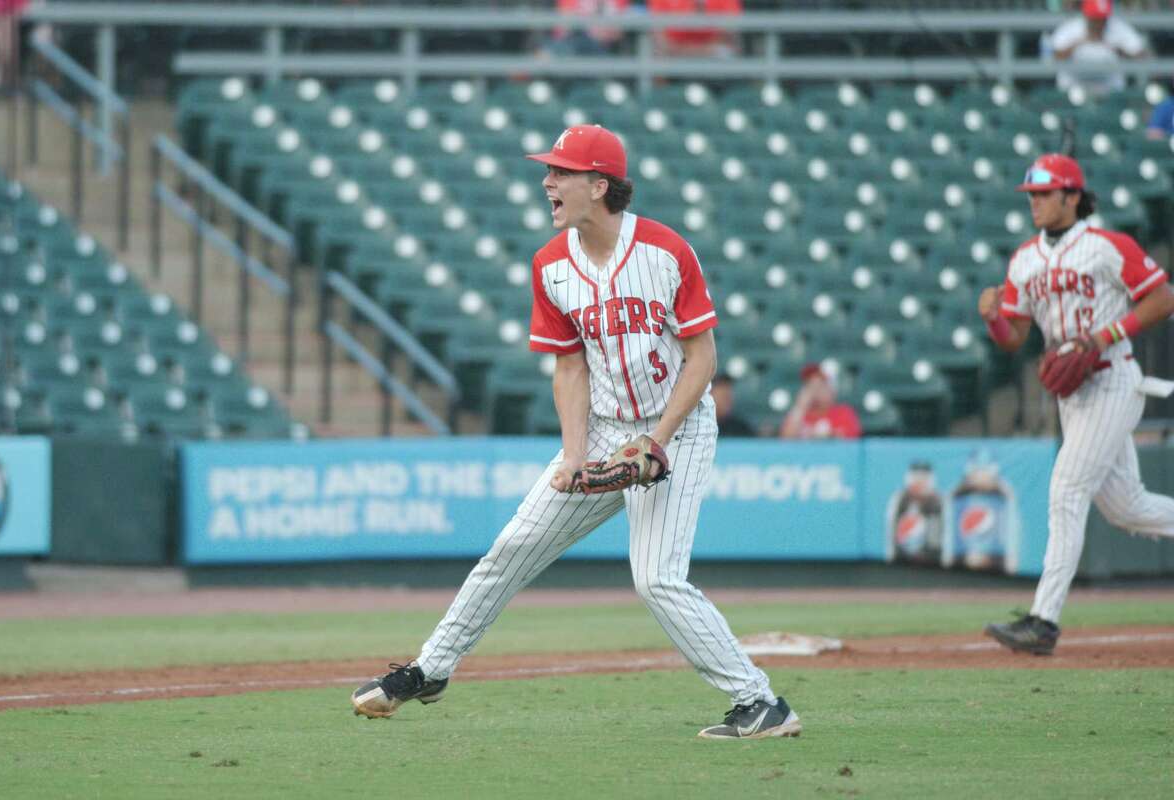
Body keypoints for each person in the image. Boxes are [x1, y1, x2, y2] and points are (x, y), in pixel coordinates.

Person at [351, 124, 801, 740]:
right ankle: (431, 669)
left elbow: (703, 360)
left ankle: (761, 704)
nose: (547, 182)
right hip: (603, 428)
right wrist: (573, 455)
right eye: (550, 170)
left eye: (560, 172)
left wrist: (658, 440)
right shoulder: (549, 264)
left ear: (600, 184)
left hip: (679, 429)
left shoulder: (667, 251)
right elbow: (569, 366)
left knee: (657, 577)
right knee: (511, 548)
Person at [978, 152, 1174, 656]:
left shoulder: (1108, 246)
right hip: (1074, 393)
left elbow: (1162, 297)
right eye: (1032, 196)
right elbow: (1015, 336)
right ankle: (1042, 620)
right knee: (1128, 508)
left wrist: (1104, 334)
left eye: (1044, 194)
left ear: (1072, 196)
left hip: (1112, 378)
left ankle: (1043, 621)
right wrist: (995, 320)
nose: (1035, 204)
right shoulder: (1024, 259)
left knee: (1066, 489)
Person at [1049, 0, 1148, 96]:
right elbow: (1055, 57)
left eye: (1102, 18)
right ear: (1086, 15)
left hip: (1111, 90)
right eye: (1095, 18)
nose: (1099, 22)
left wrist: (1119, 51)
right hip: (1073, 89)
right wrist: (1079, 43)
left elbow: (1141, 56)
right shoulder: (1070, 27)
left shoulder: (1118, 27)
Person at [778, 362, 861, 440]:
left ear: (831, 389)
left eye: (820, 386)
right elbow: (786, 441)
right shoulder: (798, 415)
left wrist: (826, 435)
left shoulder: (843, 413)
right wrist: (800, 407)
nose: (815, 391)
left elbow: (849, 442)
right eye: (810, 386)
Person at [647, 0, 742, 59]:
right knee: (659, 57)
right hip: (673, 57)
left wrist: (697, 51)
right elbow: (659, 38)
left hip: (714, 58)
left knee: (725, 52)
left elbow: (728, 36)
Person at [537, 0, 630, 58]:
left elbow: (619, 32)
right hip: (572, 41)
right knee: (576, 41)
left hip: (605, 46)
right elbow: (564, 27)